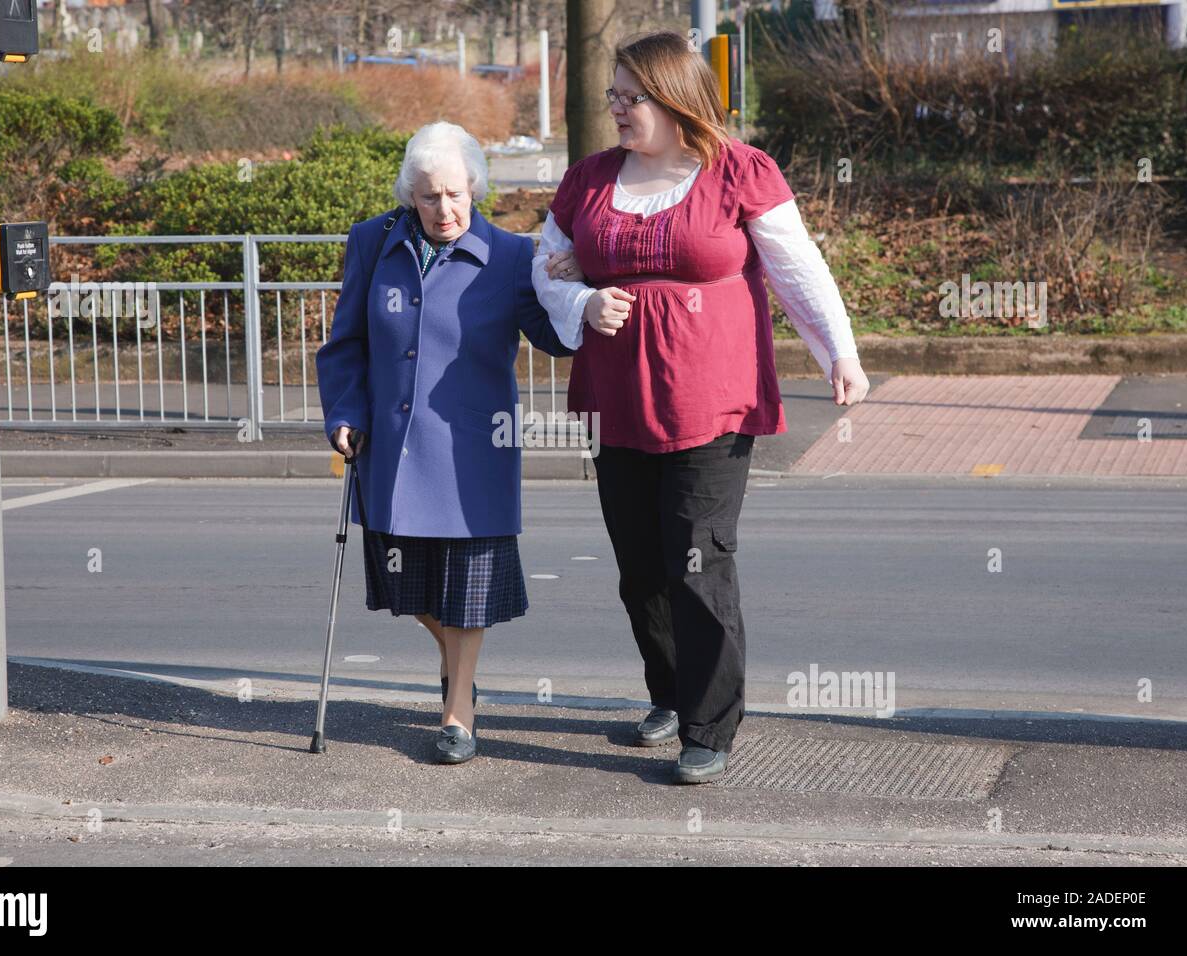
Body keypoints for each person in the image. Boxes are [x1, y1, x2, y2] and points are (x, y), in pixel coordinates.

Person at [532, 31, 870, 784]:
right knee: (640, 566)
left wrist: (838, 354)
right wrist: (582, 300)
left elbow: (798, 269)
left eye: (631, 97)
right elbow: (543, 266)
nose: (616, 109)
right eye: (612, 96)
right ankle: (669, 694)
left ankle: (710, 723)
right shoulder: (588, 180)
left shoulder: (740, 171)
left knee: (697, 557)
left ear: (676, 97)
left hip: (712, 400)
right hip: (615, 399)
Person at [317, 121, 575, 765]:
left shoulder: (514, 257)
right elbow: (346, 342)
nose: (445, 210)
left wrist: (574, 282)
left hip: (472, 456)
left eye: (456, 194)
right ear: (411, 195)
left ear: (476, 189)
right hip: (393, 450)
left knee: (468, 593)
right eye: (430, 197)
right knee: (409, 593)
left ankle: (458, 710)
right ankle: (455, 669)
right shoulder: (372, 243)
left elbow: (558, 337)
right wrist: (344, 411)